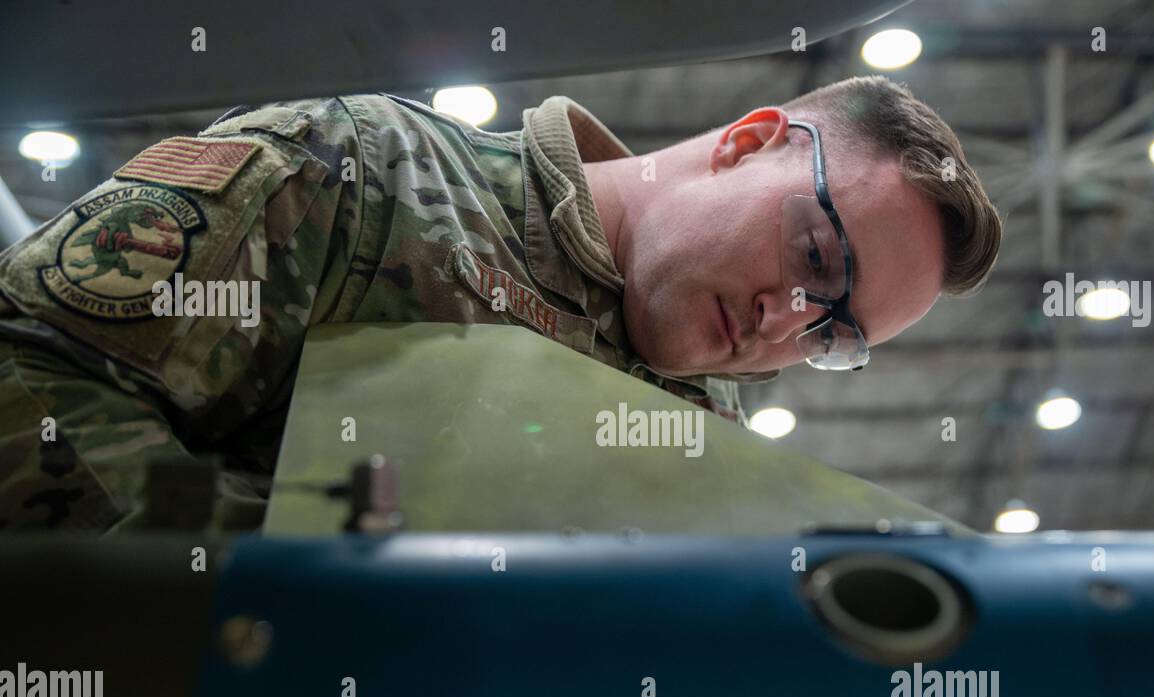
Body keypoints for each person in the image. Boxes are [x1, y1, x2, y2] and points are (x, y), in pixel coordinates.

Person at [0, 75, 1000, 532]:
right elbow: (34, 378)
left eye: (832, 331)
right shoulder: (361, 172)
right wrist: (277, 581)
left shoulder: (711, 453)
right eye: (813, 254)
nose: (789, 319)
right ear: (747, 141)